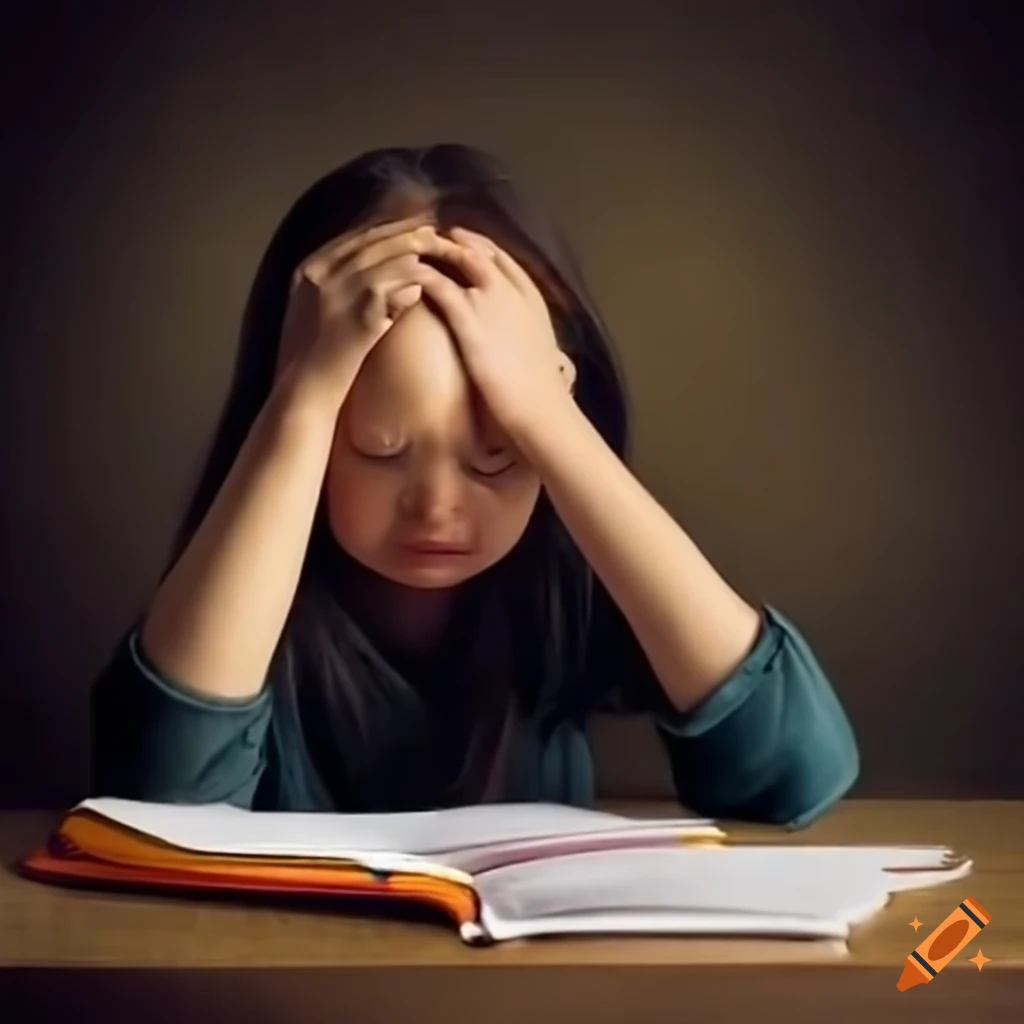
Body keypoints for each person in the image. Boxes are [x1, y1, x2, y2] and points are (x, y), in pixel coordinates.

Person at [89, 143, 859, 826]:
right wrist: (302, 398)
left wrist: (553, 425)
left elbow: (795, 775)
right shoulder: (247, 592)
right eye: (379, 449)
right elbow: (160, 809)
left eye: (495, 457)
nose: (438, 506)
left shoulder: (564, 577)